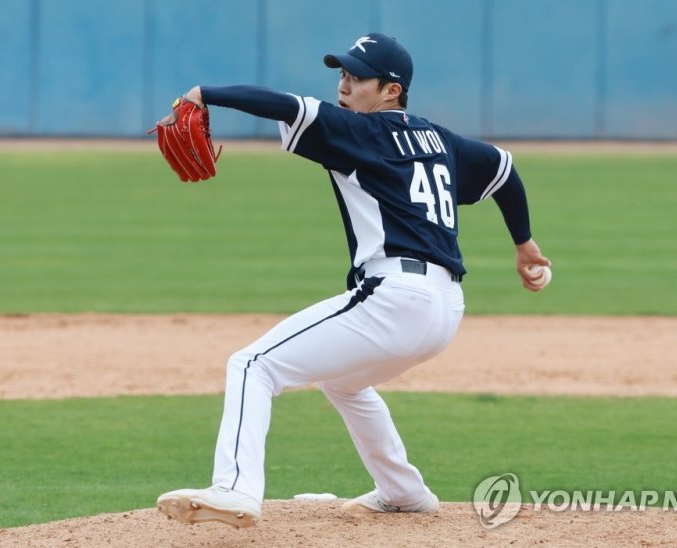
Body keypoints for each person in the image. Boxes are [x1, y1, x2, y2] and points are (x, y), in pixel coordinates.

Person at [156, 32, 551, 528]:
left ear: (390, 90)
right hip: (445, 308)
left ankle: (234, 489)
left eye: (356, 77)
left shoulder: (358, 132)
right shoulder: (440, 139)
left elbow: (284, 105)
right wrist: (524, 244)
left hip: (396, 298)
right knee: (344, 384)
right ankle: (403, 491)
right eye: (341, 74)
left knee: (252, 364)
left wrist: (202, 94)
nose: (343, 85)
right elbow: (504, 169)